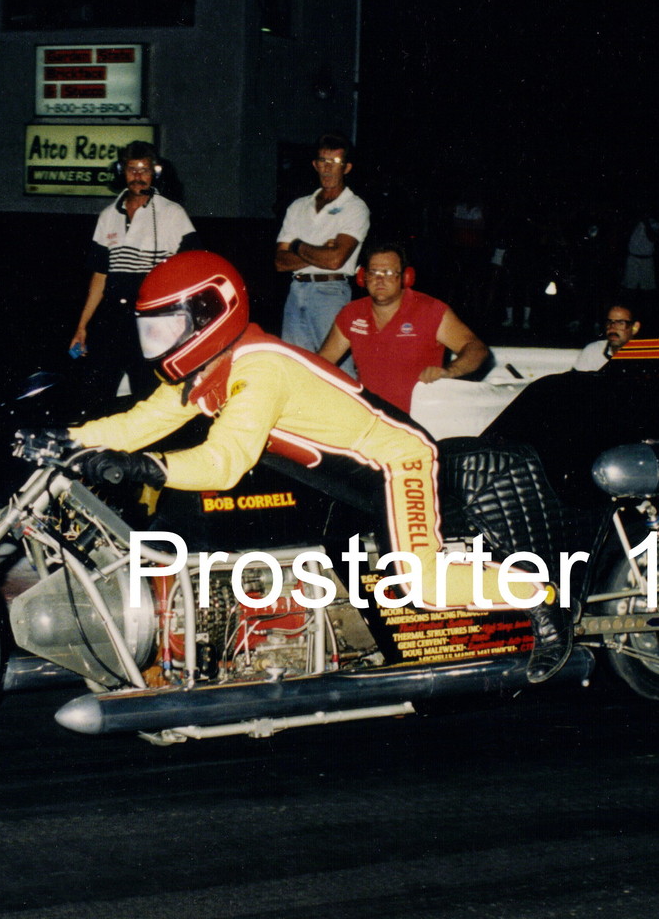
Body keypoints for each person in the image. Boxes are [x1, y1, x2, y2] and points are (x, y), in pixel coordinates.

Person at [67, 251, 571, 682]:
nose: (160, 342)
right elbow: (138, 422)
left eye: (169, 327)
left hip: (394, 460)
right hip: (337, 476)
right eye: (152, 330)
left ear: (209, 316)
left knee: (423, 584)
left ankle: (542, 597)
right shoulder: (209, 370)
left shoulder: (260, 367)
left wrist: (146, 467)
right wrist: (65, 440)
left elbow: (222, 463)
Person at [71, 142, 200, 405]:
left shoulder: (172, 213)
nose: (138, 176)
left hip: (153, 320)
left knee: (147, 395)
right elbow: (100, 277)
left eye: (144, 170)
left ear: (155, 173)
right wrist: (82, 326)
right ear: (122, 172)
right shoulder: (108, 215)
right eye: (132, 169)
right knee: (97, 393)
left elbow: (192, 267)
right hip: (112, 319)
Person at [316, 243, 489, 414]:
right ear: (363, 277)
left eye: (389, 273)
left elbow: (476, 348)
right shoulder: (351, 313)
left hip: (420, 416)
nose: (380, 279)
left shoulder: (430, 311)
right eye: (373, 272)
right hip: (370, 416)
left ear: (406, 277)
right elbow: (322, 362)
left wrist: (450, 371)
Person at [274, 134, 370, 353]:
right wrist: (322, 251)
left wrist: (296, 245)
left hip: (330, 292)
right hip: (295, 291)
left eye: (335, 162)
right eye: (323, 161)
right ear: (315, 165)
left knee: (334, 365)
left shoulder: (355, 207)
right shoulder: (298, 206)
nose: (327, 168)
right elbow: (280, 262)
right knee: (295, 363)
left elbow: (335, 260)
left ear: (346, 168)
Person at [574, 303, 640, 371]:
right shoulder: (593, 351)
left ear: (635, 328)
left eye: (620, 323)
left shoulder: (643, 355)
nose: (612, 328)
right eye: (609, 322)